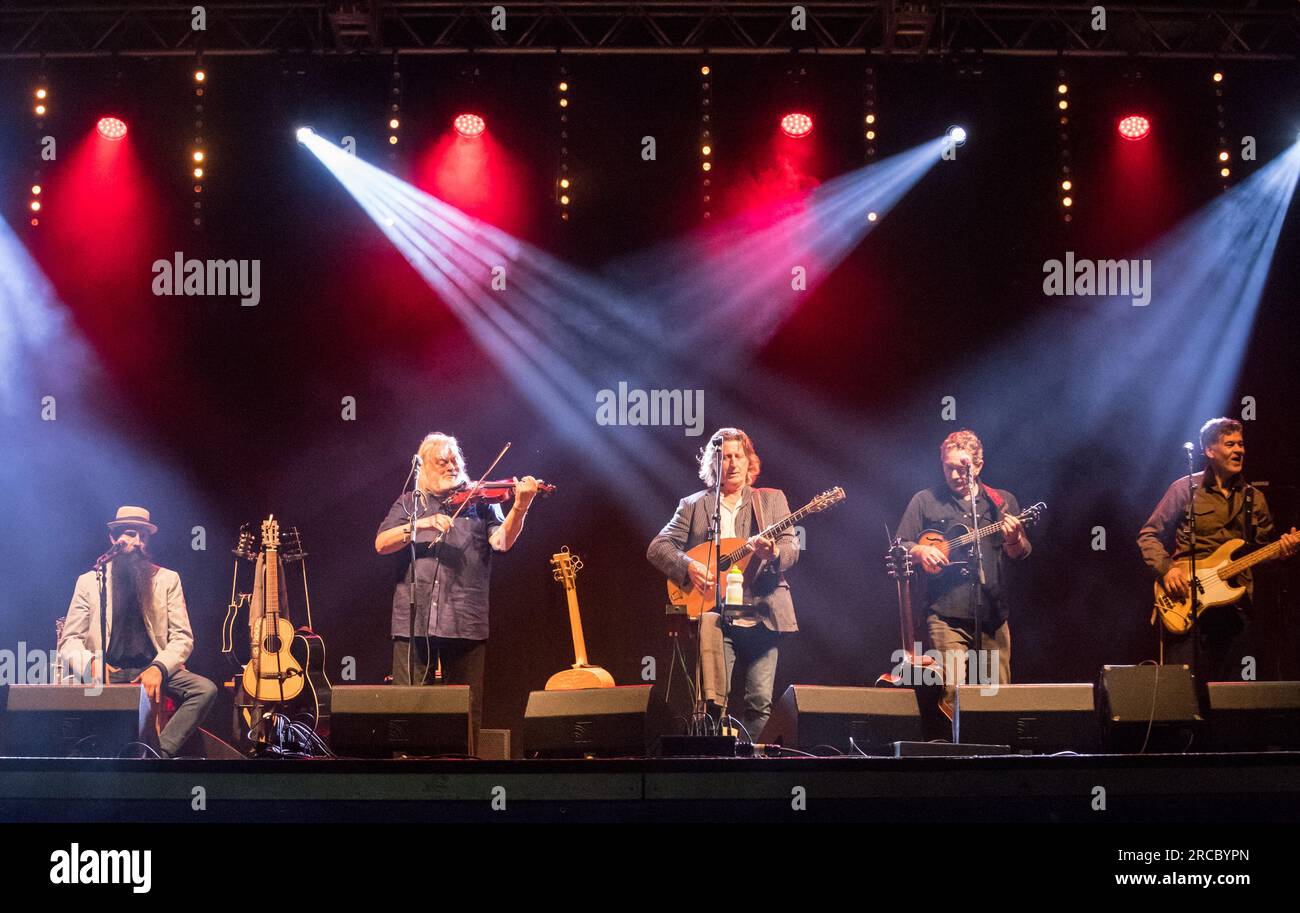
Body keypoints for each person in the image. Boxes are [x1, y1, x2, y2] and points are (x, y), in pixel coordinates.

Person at [374, 433, 540, 754]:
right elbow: (381, 543)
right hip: (414, 619)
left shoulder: (480, 505)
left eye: (456, 461)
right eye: (443, 461)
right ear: (424, 467)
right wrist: (421, 525)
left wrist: (520, 507)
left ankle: (461, 779)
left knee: (464, 716)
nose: (452, 466)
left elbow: (502, 542)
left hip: (465, 618)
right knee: (407, 712)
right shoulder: (410, 502)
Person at [647, 427, 798, 741]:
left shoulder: (770, 500)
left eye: (738, 456)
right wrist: (690, 566)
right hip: (717, 616)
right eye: (724, 457)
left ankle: (756, 773)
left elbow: (791, 549)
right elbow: (658, 547)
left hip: (763, 611)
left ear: (748, 461)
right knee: (714, 703)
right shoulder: (693, 505)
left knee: (760, 702)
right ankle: (719, 767)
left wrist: (773, 553)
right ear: (712, 465)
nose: (732, 463)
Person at [1138, 417, 1299, 682]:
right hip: (1187, 603)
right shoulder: (1184, 489)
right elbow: (1148, 535)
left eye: (1241, 444)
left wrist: (1282, 552)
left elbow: (1261, 553)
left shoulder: (1254, 498)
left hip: (1235, 609)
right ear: (1210, 451)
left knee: (1230, 695)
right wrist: (1167, 571)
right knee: (1183, 694)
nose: (1239, 450)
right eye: (1230, 444)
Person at [58, 506, 217, 758]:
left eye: (144, 536)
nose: (138, 541)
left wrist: (159, 668)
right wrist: (92, 664)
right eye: (132, 534)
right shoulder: (90, 581)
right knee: (64, 702)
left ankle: (158, 755)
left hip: (153, 669)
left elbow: (182, 637)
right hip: (109, 671)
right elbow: (70, 641)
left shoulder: (167, 579)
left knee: (205, 689)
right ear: (114, 538)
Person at [896, 430, 1031, 705]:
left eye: (962, 468)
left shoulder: (1001, 502)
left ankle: (997, 748)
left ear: (978, 465)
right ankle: (952, 747)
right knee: (952, 695)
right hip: (946, 615)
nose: (955, 475)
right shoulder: (925, 500)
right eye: (949, 468)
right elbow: (899, 545)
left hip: (993, 616)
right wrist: (920, 551)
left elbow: (1020, 554)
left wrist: (1014, 538)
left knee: (998, 699)